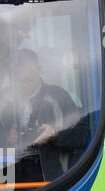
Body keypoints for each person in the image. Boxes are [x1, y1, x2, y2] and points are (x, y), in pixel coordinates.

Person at [5, 49, 83, 178]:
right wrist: (7, 138)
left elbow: (83, 134)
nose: (24, 85)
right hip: (13, 180)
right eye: (19, 81)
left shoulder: (59, 97)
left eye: (28, 80)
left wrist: (55, 135)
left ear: (39, 70)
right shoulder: (3, 102)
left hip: (52, 181)